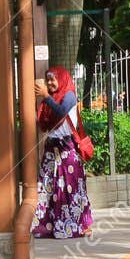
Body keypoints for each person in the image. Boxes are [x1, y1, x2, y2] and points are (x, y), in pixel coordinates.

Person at [30, 66, 94, 239]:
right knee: (47, 189)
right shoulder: (50, 98)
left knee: (70, 189)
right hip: (51, 150)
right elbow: (43, 123)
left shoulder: (69, 95)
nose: (50, 83)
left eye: (53, 79)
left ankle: (77, 226)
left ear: (62, 79)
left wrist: (45, 96)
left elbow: (60, 112)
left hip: (68, 151)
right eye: (48, 79)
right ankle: (48, 226)